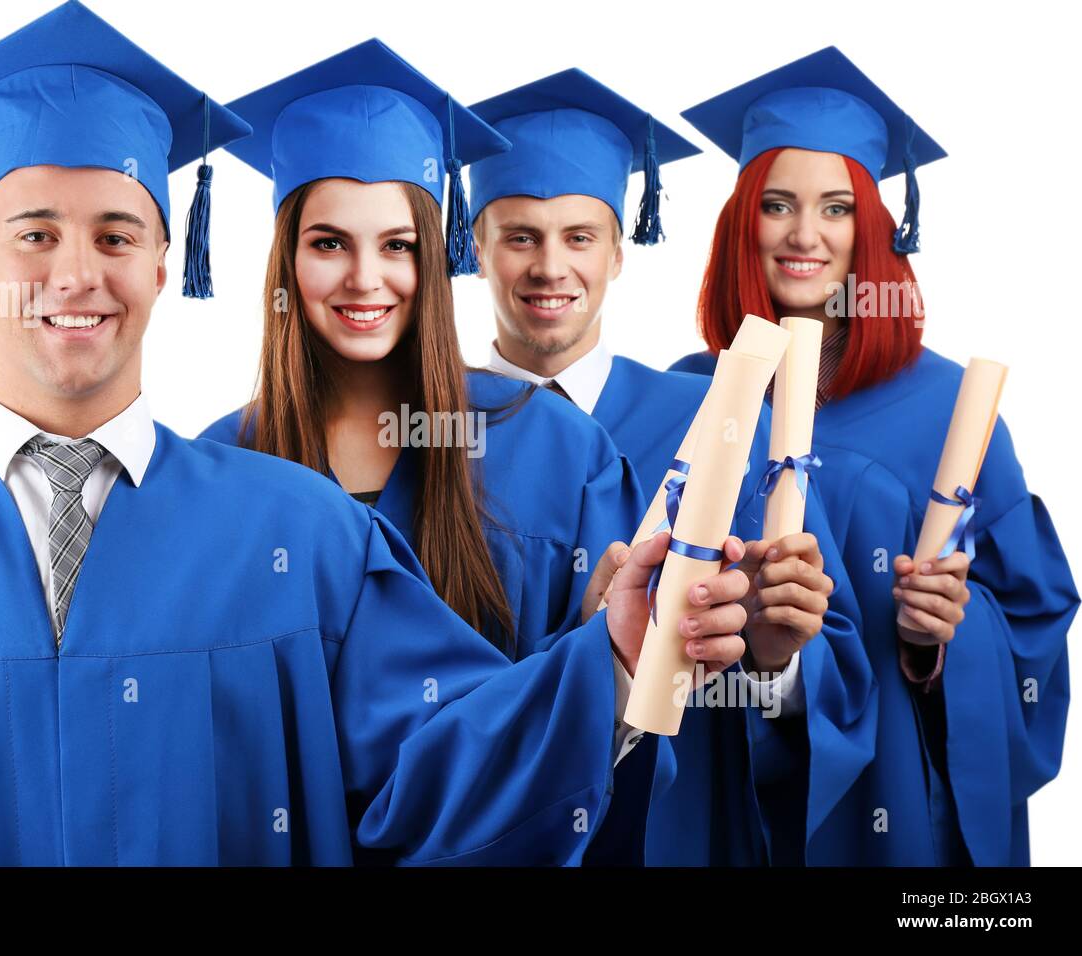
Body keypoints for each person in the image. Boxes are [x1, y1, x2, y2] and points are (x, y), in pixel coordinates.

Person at [0, 1, 754, 867]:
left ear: (167, 259)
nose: (77, 272)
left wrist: (613, 656)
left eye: (116, 234)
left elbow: (440, 762)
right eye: (36, 232)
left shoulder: (303, 526)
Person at [197, 41, 753, 792]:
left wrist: (617, 656)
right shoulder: (222, 467)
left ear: (436, 256)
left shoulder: (559, 452)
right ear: (285, 261)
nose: (366, 278)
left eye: (398, 244)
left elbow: (621, 735)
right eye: (328, 242)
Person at [670, 46, 1076, 865]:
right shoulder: (689, 399)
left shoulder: (950, 409)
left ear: (875, 231)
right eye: (777, 205)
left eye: (836, 209)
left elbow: (1031, 626)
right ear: (743, 223)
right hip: (730, 809)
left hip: (900, 822)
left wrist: (940, 646)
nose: (804, 235)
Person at [466, 68, 874, 865]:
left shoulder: (719, 417)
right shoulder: (436, 441)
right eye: (520, 236)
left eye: (580, 237)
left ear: (619, 252)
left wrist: (772, 659)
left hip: (686, 834)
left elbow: (837, 664)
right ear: (473, 246)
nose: (552, 268)